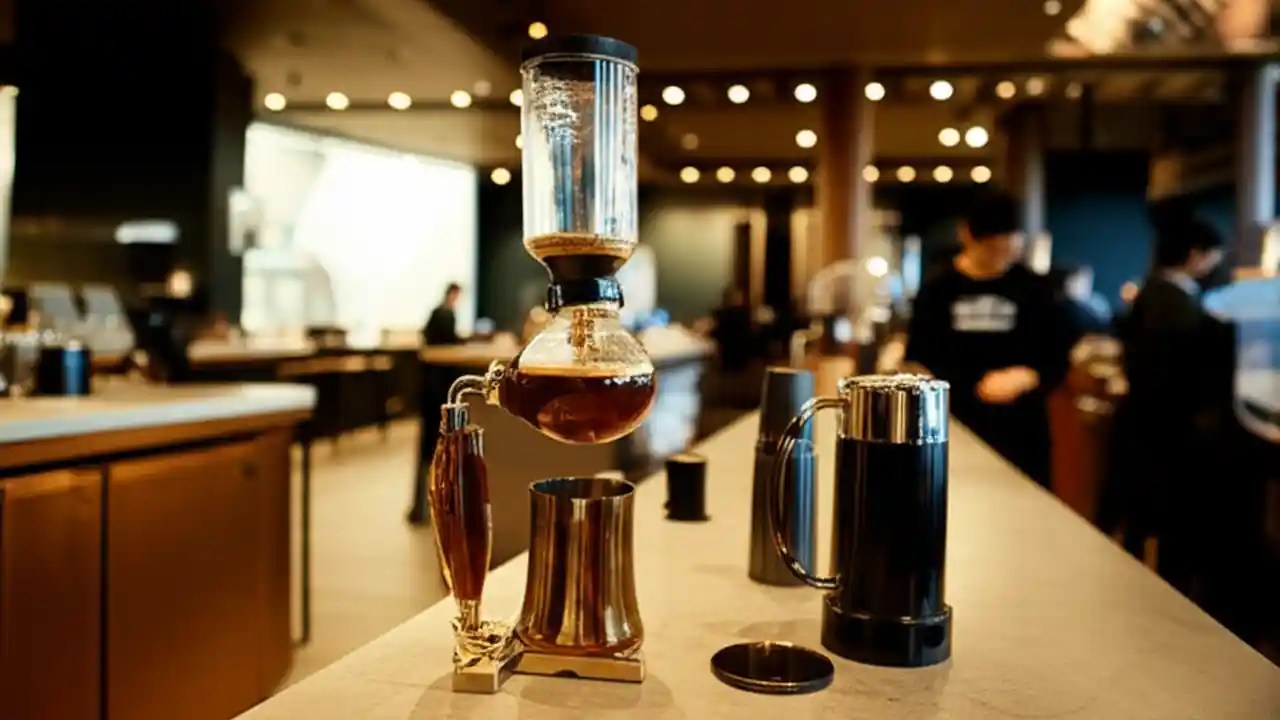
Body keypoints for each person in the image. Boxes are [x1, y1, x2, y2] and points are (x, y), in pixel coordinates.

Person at [905, 191, 1070, 487]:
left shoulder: (1035, 288)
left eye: (1007, 248)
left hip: (1022, 429)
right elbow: (918, 356)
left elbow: (1057, 357)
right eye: (991, 248)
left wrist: (1027, 375)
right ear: (967, 236)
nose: (999, 257)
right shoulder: (937, 288)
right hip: (956, 424)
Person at [1105, 215, 1228, 593]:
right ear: (1196, 254)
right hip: (1165, 427)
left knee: (1139, 517)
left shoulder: (1153, 291)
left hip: (1144, 422)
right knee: (1162, 519)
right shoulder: (1175, 301)